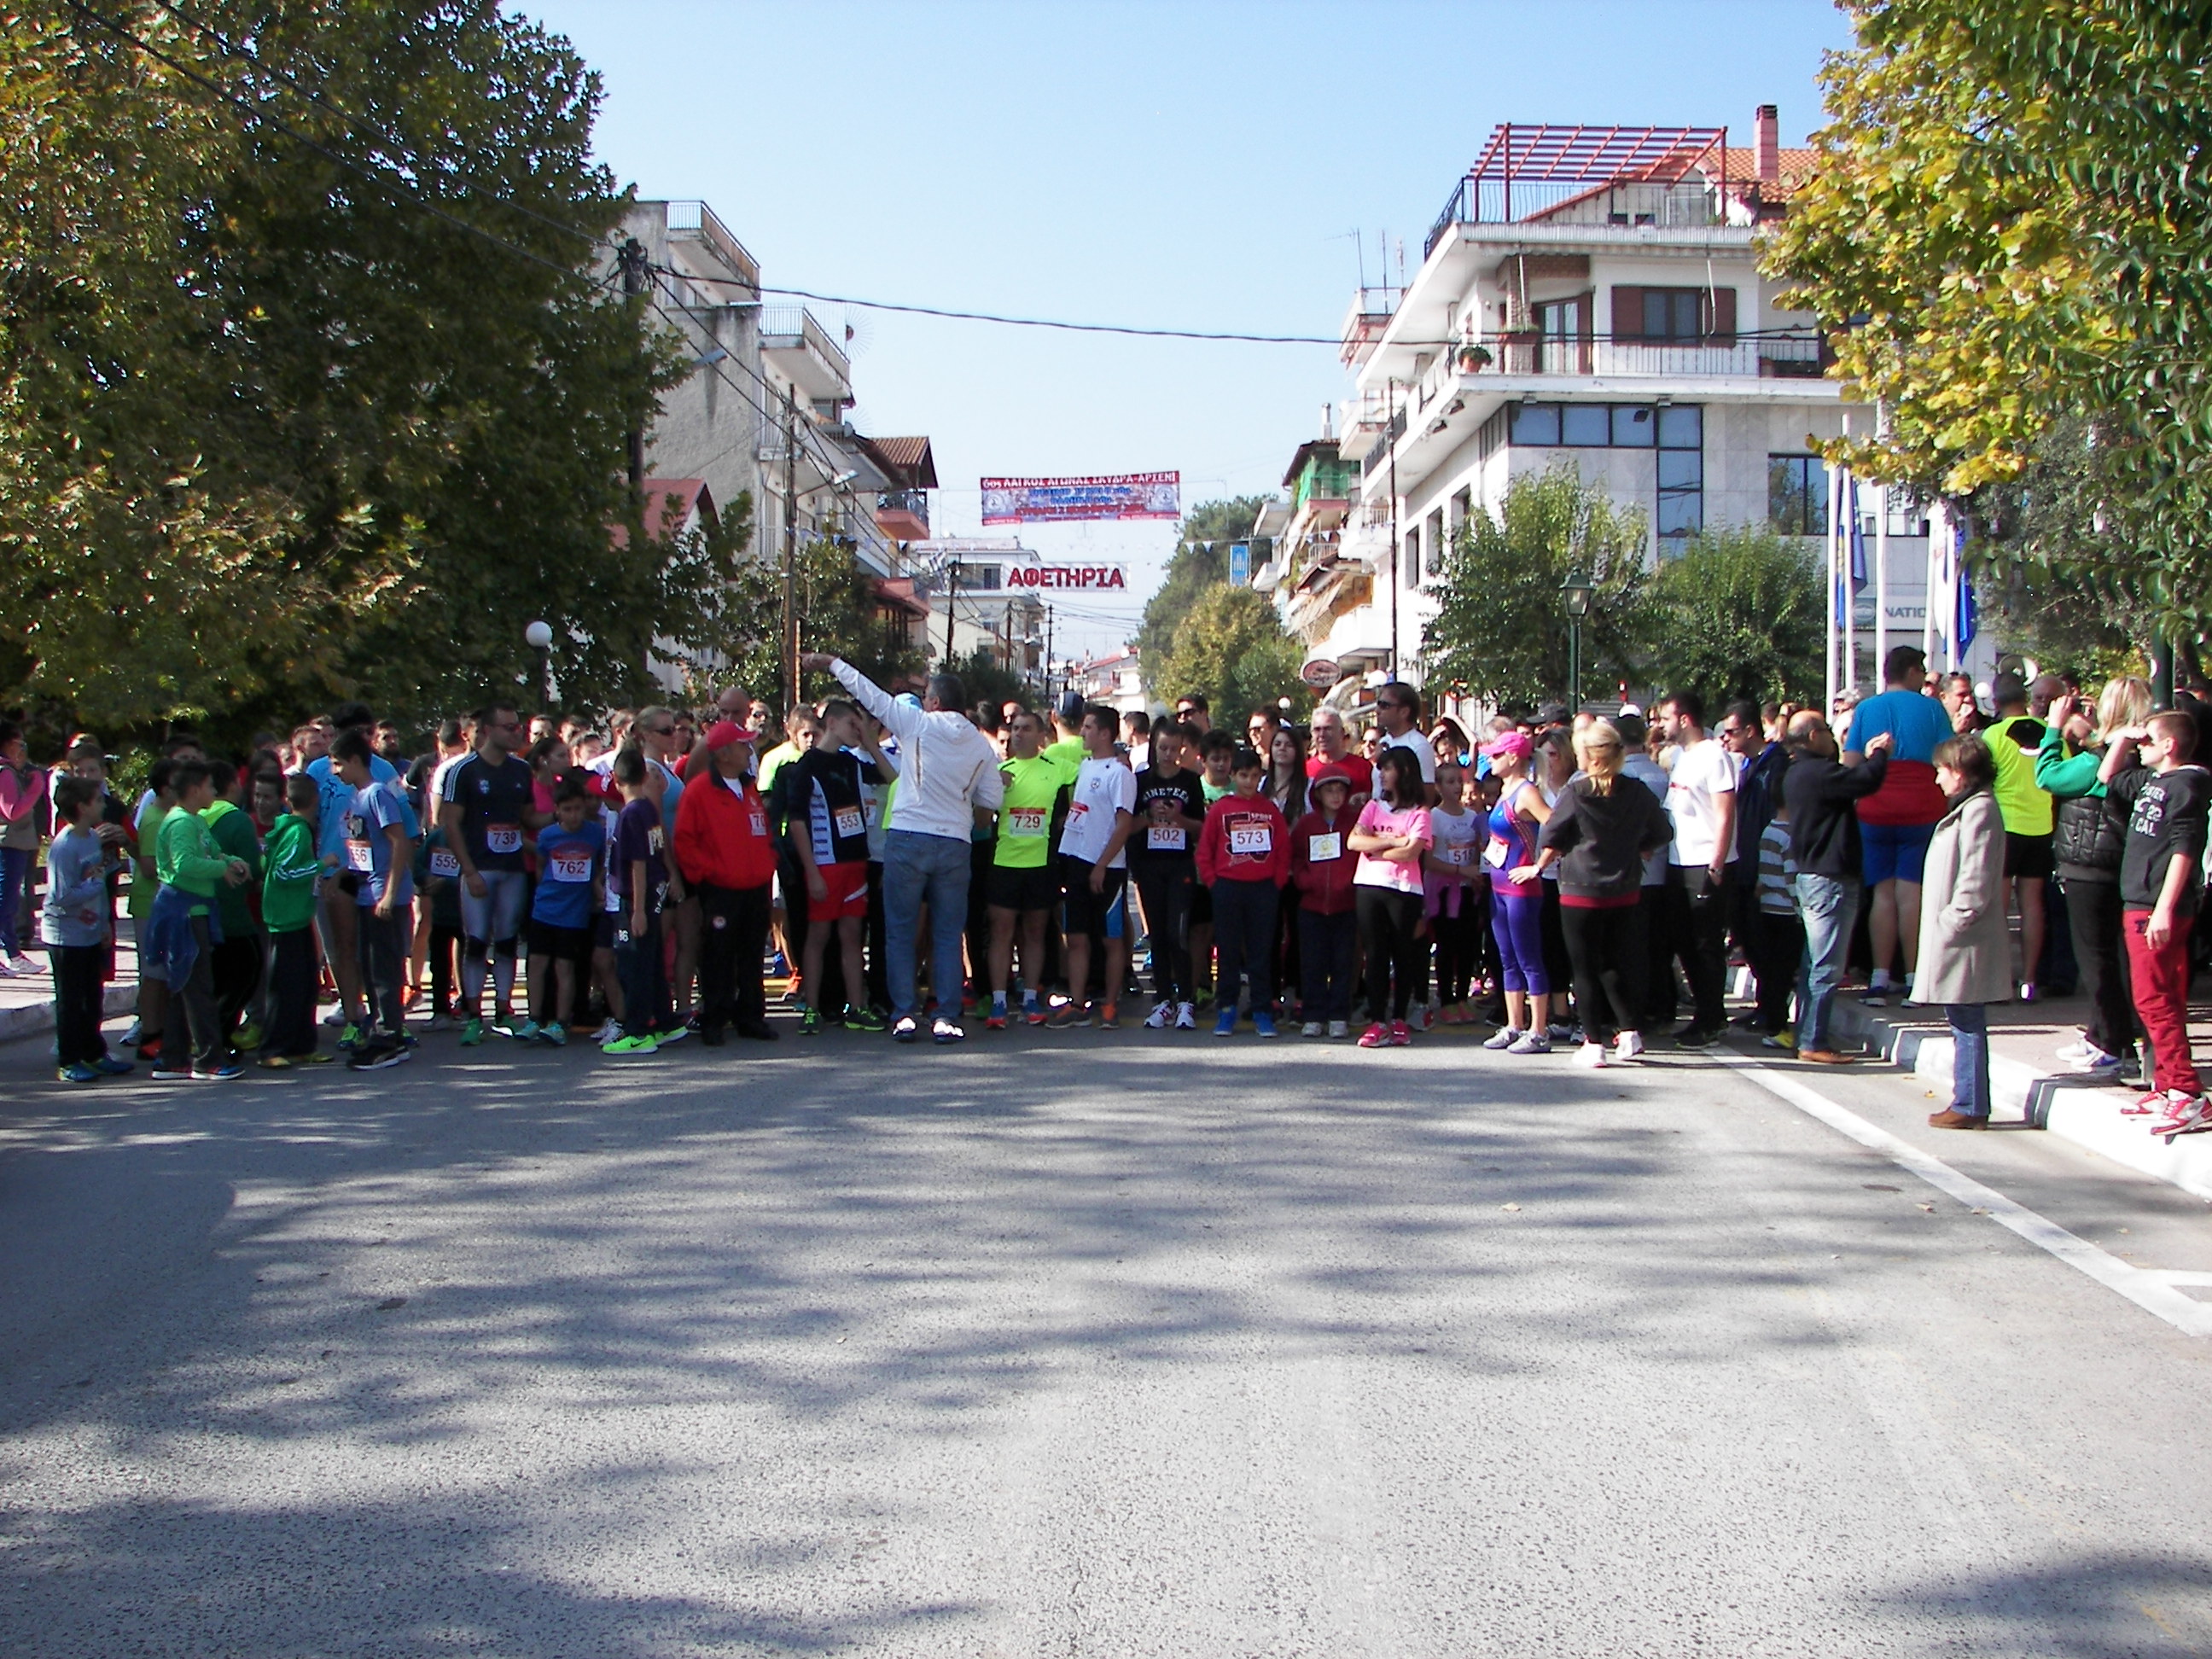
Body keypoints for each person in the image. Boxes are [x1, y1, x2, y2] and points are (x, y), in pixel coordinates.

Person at [806, 654, 1003, 1045]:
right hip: (954, 843)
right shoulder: (980, 746)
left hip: (909, 836)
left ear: (932, 701)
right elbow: (993, 799)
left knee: (899, 931)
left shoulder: (917, 724)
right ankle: (946, 1015)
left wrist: (832, 663)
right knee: (948, 934)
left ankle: (904, 1014)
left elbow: (871, 695)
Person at [1516, 719, 1671, 1065]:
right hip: (1626, 887)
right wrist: (1636, 846)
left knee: (1584, 967)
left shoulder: (1576, 791)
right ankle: (1629, 1031)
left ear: (1592, 756)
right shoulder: (1637, 790)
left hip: (1579, 888)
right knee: (1617, 961)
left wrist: (1548, 859)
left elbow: (1551, 834)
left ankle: (1593, 1041)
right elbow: (1663, 831)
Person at [2099, 711, 2212, 1134]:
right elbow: (2109, 776)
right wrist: (2124, 739)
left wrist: (2164, 906)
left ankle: (2185, 1092)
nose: (2141, 744)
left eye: (2149, 739)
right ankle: (2166, 1084)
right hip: (2139, 900)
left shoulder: (2186, 784)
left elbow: (2184, 848)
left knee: (2153, 999)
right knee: (2160, 996)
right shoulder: (2153, 782)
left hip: (2155, 904)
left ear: (2171, 745)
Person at [2037, 678, 2149, 1076]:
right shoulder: (2140, 759)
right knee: (2115, 956)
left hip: (2090, 864)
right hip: (2121, 863)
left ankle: (2113, 1042)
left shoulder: (2097, 762)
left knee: (2095, 958)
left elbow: (2048, 776)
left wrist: (2053, 728)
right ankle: (2104, 1034)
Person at [1842, 645, 1956, 1006]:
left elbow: (1851, 762)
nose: (1924, 677)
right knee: (1912, 893)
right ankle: (1913, 977)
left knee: (1882, 892)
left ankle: (1879, 976)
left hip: (1876, 806)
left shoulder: (1866, 709)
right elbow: (1949, 755)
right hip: (1922, 806)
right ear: (1909, 671)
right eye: (1921, 670)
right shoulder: (1933, 708)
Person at [1780, 711, 1893, 1064]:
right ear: (1813, 736)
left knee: (1814, 961)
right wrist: (1879, 754)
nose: (1832, 738)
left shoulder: (1799, 772)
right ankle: (1813, 1040)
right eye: (1827, 731)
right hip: (1829, 879)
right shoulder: (1817, 774)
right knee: (1826, 966)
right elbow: (1865, 781)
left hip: (1814, 877)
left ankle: (1808, 1034)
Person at [1913, 734, 2011, 1128]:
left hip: (1966, 936)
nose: (1938, 779)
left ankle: (1971, 1104)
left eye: (1942, 771)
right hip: (1958, 933)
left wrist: (1954, 920)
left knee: (1967, 1018)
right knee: (1961, 1017)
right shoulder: (1970, 808)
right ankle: (1967, 1100)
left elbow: (1977, 874)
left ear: (1960, 772)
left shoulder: (1980, 810)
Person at [438, 702, 544, 1045]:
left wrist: (565, 816)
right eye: (509, 728)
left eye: (518, 727)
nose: (517, 733)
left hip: (512, 868)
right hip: (479, 868)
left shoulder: (520, 770)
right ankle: (472, 1013)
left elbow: (529, 819)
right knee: (477, 939)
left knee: (508, 939)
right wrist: (468, 871)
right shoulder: (464, 770)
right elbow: (449, 822)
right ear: (487, 731)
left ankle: (503, 1009)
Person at [779, 698, 884, 1035]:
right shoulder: (806, 766)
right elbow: (795, 820)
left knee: (852, 936)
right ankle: (811, 1007)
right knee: (818, 937)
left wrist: (869, 742)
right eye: (854, 725)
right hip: (824, 864)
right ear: (834, 724)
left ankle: (856, 1006)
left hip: (855, 863)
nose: (859, 731)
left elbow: (891, 775)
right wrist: (810, 871)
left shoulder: (852, 762)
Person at [674, 722, 780, 1045]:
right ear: (722, 754)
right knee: (718, 954)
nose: (749, 751)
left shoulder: (749, 788)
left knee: (750, 954)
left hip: (754, 885)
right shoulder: (700, 790)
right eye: (742, 745)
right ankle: (715, 1016)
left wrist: (766, 863)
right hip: (721, 887)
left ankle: (750, 1016)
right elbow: (684, 839)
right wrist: (707, 873)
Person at [149, 760, 251, 1080]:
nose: (213, 791)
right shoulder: (181, 823)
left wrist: (232, 863)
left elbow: (214, 853)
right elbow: (184, 864)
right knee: (199, 988)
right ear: (194, 790)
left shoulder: (196, 821)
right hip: (185, 915)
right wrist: (221, 870)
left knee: (185, 985)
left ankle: (172, 1057)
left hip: (197, 912)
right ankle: (208, 1059)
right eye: (209, 786)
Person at [1656, 690, 1737, 1047]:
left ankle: (1712, 1017)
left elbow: (1724, 812)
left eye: (1666, 718)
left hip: (1705, 861)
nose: (1661, 725)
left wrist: (1717, 864)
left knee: (1706, 943)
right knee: (1683, 940)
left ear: (1685, 719)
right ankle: (1703, 1011)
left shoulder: (1714, 756)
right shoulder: (1681, 757)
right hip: (1678, 859)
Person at [331, 730, 415, 1070]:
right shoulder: (356, 797)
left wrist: (391, 892)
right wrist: (341, 877)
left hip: (383, 895)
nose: (335, 771)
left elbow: (399, 841)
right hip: (365, 893)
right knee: (368, 964)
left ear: (355, 760)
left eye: (338, 763)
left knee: (383, 968)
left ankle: (390, 1036)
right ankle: (378, 1028)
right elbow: (359, 849)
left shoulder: (378, 795)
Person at [1051, 703, 1138, 1029]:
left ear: (1105, 733)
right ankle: (1077, 1004)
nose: (1082, 732)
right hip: (1075, 859)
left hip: (1107, 867)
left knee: (1110, 939)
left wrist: (1102, 863)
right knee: (1076, 937)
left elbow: (1124, 823)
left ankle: (1111, 1006)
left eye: (1088, 727)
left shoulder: (1120, 773)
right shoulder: (1086, 767)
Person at [985, 708, 1072, 1029]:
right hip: (1004, 863)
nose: (1019, 734)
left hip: (1041, 865)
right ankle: (997, 1002)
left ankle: (1031, 998)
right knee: (1001, 933)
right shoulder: (998, 770)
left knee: (1035, 933)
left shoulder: (1059, 768)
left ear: (1041, 736)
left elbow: (1092, 774)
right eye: (1015, 728)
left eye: (1026, 729)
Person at [1196, 744, 1290, 1037]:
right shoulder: (1221, 810)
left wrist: (1275, 884)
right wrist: (1214, 882)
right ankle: (1226, 1009)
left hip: (1263, 889)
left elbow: (1282, 851)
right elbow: (1205, 851)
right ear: (1234, 776)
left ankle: (1262, 1010)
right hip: (1228, 889)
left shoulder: (1269, 810)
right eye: (1243, 775)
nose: (1249, 782)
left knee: (1261, 952)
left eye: (1254, 775)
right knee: (1228, 953)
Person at [43, 773, 130, 1082]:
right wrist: (92, 885)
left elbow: (104, 882)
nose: (102, 804)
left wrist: (105, 921)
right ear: (81, 807)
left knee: (93, 996)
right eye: (96, 800)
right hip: (66, 936)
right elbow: (62, 895)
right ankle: (69, 1059)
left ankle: (93, 1052)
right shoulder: (64, 846)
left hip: (91, 932)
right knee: (70, 998)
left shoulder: (93, 838)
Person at [1347, 746, 1433, 1047]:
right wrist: (1393, 841)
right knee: (1376, 954)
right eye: (1380, 769)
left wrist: (1376, 847)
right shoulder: (1372, 807)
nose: (1382, 775)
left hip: (1404, 890)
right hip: (1369, 886)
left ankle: (1398, 1019)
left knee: (1403, 953)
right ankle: (1377, 1020)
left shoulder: (1421, 813)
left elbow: (1412, 851)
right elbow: (1354, 841)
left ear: (1405, 772)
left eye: (1388, 769)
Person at [1129, 719, 1206, 1031]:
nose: (1168, 755)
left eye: (1174, 749)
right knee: (1158, 935)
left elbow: (1202, 827)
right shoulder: (1141, 780)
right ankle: (1162, 1000)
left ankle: (1185, 1000)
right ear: (1154, 747)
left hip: (1180, 865)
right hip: (1149, 864)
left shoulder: (1190, 780)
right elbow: (1128, 824)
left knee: (1179, 933)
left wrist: (1178, 818)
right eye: (1163, 748)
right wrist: (1149, 817)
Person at [1982, 670, 2054, 1002]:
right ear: (2026, 700)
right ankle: (2029, 980)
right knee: (2032, 906)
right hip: (2041, 826)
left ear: (1995, 702)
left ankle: (1997, 977)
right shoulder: (2048, 733)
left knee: (1998, 905)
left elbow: (1981, 779)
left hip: (2004, 826)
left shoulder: (1992, 736)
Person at [1481, 730, 1553, 1052]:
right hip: (1498, 886)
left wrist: (1539, 866)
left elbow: (1555, 826)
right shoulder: (1505, 790)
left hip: (1520, 890)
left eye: (1497, 755)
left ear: (1514, 758)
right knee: (1507, 958)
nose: (1491, 760)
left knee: (1529, 959)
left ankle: (1539, 1030)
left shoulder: (1526, 793)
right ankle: (1514, 1024)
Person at [603, 746, 678, 1056]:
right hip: (653, 892)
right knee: (652, 961)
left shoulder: (631, 814)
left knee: (633, 965)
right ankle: (665, 1021)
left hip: (637, 898)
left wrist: (637, 910)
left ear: (614, 779)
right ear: (646, 776)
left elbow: (638, 862)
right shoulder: (649, 809)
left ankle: (637, 1030)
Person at [521, 773, 604, 1046]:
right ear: (557, 811)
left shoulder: (595, 834)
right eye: (567, 810)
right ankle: (534, 1017)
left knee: (564, 966)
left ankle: (560, 1021)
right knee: (536, 963)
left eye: (578, 808)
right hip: (545, 909)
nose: (573, 815)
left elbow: (599, 865)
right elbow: (542, 867)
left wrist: (596, 889)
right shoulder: (548, 836)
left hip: (575, 912)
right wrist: (541, 896)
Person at [259, 774, 326, 1068]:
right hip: (285, 920)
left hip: (298, 918)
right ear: (315, 800)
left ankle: (301, 1044)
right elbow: (282, 872)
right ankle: (273, 1048)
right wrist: (321, 865)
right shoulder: (297, 832)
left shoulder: (295, 830)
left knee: (305, 985)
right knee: (284, 987)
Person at [1289, 763, 1359, 1037]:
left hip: (1345, 905)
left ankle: (1339, 1014)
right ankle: (1314, 1013)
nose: (1335, 796)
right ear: (1317, 794)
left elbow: (1359, 854)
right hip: (1311, 906)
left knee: (1343, 962)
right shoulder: (1307, 824)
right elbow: (1295, 857)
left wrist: (1349, 882)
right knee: (1312, 962)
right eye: (1329, 790)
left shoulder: (1353, 822)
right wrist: (1304, 881)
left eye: (1340, 790)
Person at [1424, 759, 1485, 1026]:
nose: (1457, 787)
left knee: (1468, 946)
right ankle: (1447, 999)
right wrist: (1460, 872)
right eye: (1450, 782)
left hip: (1469, 890)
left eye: (1459, 781)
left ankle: (1462, 998)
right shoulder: (1435, 817)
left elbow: (1479, 851)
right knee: (1447, 946)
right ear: (1438, 786)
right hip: (1444, 891)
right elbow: (1428, 861)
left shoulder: (1472, 817)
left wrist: (1475, 873)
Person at [1750, 794, 1803, 1044]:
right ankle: (1778, 1027)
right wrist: (1801, 909)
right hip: (1786, 911)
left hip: (1768, 906)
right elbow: (1792, 877)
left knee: (1772, 970)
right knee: (1783, 973)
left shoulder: (1769, 831)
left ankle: (1770, 1020)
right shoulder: (1790, 836)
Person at [0, 720, 48, 976]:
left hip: (11, 844)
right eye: (19, 743)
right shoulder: (4, 772)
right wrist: (35, 788)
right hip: (10, 845)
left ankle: (13, 953)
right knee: (6, 903)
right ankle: (13, 954)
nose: (22, 749)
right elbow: (12, 811)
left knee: (6, 903)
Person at [1372, 682, 1440, 805]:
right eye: (1378, 704)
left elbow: (1427, 799)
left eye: (1384, 705)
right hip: (1379, 820)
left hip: (1403, 821)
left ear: (1404, 712)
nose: (1377, 710)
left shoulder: (1419, 746)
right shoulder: (1384, 741)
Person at [1306, 707, 1374, 800]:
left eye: (1328, 728)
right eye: (1317, 729)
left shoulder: (1363, 768)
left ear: (1342, 732)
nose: (1322, 734)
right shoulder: (1305, 770)